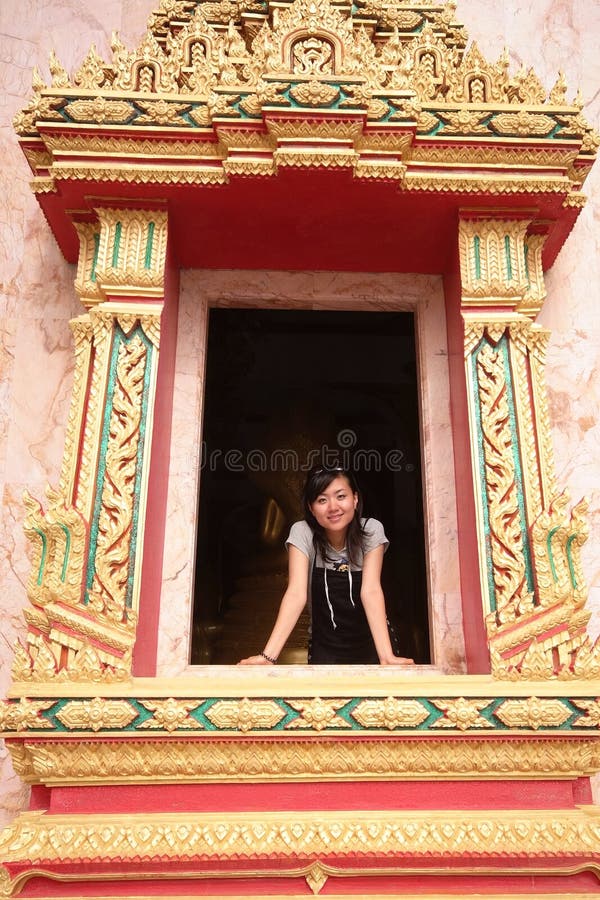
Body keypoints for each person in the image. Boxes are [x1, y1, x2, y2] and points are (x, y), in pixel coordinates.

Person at [239, 465, 414, 666]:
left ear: (355, 499)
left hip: (372, 643)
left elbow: (371, 590)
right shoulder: (302, 532)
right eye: (322, 500)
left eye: (341, 496)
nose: (333, 507)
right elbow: (296, 594)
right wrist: (268, 657)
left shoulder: (371, 530)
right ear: (312, 508)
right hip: (325, 646)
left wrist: (386, 657)